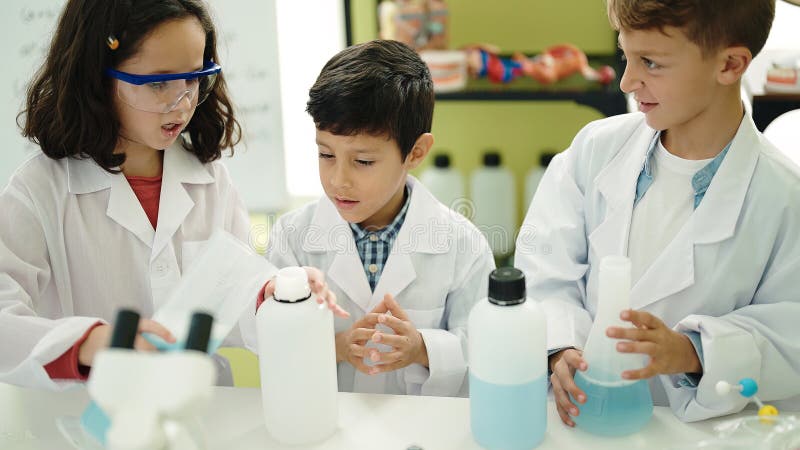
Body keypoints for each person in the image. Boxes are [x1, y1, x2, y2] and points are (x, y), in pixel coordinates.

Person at [0, 0, 336, 390]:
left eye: (194, 78)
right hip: (86, 422)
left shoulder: (211, 182)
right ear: (96, 78)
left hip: (196, 412)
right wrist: (92, 342)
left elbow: (231, 300)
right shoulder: (40, 190)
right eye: (158, 83)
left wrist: (274, 294)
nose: (183, 102)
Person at [515, 0, 800, 424]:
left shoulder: (783, 197)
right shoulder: (594, 150)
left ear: (730, 64)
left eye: (650, 62)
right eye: (625, 54)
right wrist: (559, 347)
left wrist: (690, 351)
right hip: (583, 419)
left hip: (702, 431)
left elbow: (790, 334)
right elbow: (544, 267)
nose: (628, 81)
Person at [256, 40, 495, 396]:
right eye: (325, 154)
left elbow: (488, 348)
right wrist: (337, 346)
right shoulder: (293, 237)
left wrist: (422, 348)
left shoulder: (463, 244)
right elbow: (269, 339)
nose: (339, 179)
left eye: (363, 162)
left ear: (416, 152)